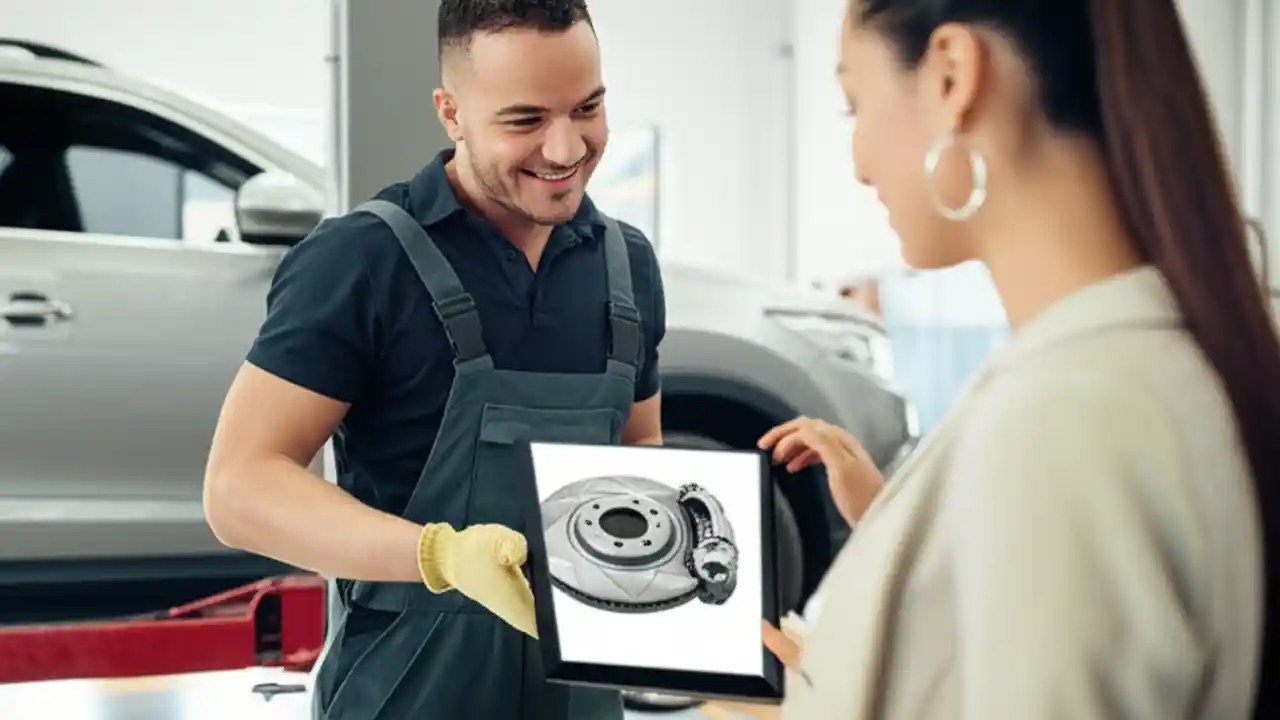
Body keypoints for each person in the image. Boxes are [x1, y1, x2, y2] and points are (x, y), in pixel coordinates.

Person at [709, 0, 1280, 718]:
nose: (857, 165)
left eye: (855, 105)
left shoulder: (1069, 415)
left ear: (951, 74)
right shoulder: (1150, 366)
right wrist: (896, 532)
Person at [202, 1, 664, 718]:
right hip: (408, 692)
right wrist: (439, 557)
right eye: (525, 120)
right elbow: (239, 489)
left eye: (589, 107)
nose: (568, 148)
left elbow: (639, 458)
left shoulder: (626, 264)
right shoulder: (361, 260)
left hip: (581, 701)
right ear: (451, 113)